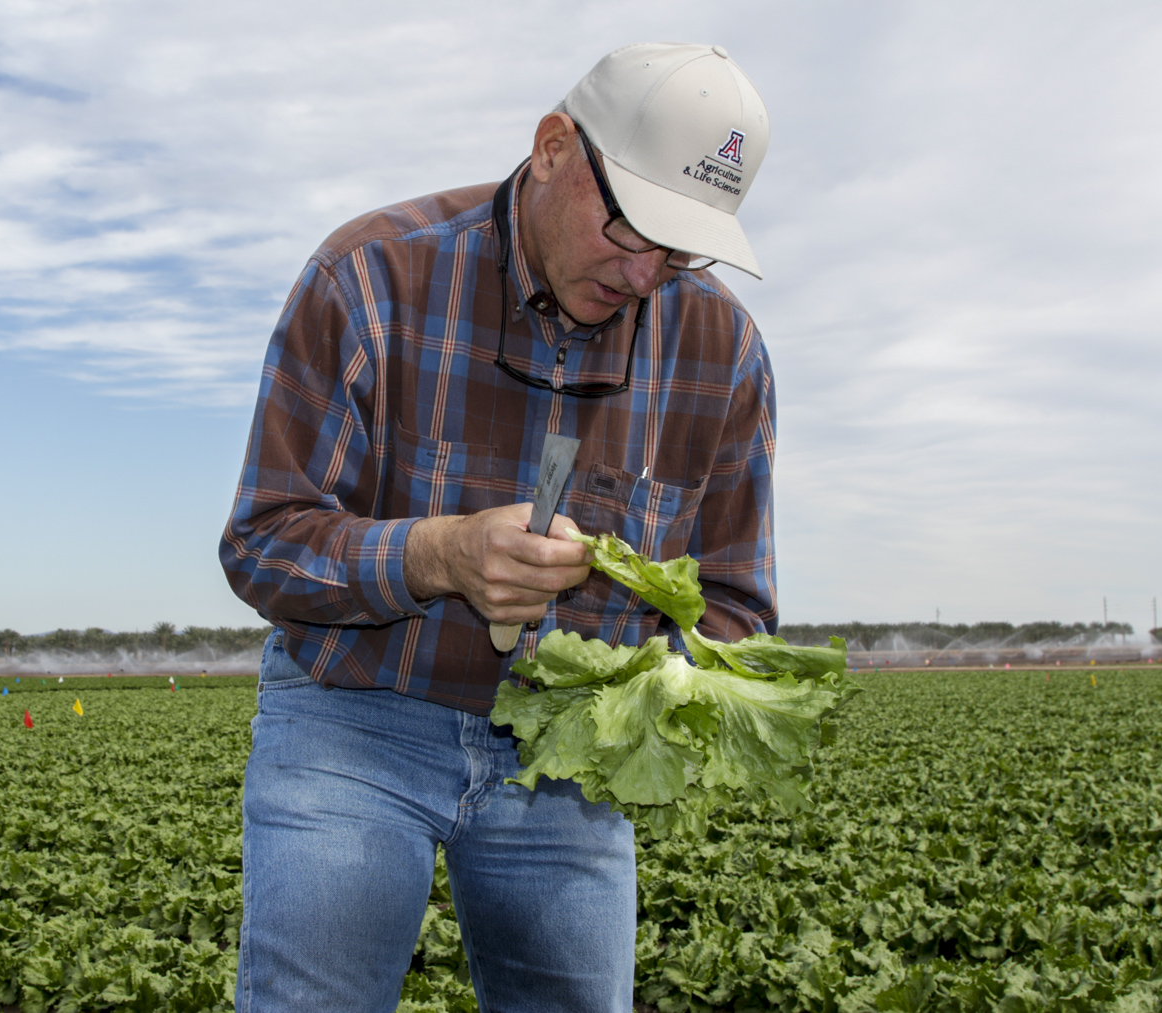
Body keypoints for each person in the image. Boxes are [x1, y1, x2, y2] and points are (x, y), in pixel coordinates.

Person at [219, 42, 778, 1013]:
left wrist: (653, 683)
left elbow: (733, 600)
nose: (648, 272)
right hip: (356, 717)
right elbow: (264, 538)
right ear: (555, 146)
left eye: (681, 251)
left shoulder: (723, 351)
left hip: (566, 756)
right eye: (632, 227)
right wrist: (436, 553)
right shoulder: (370, 278)